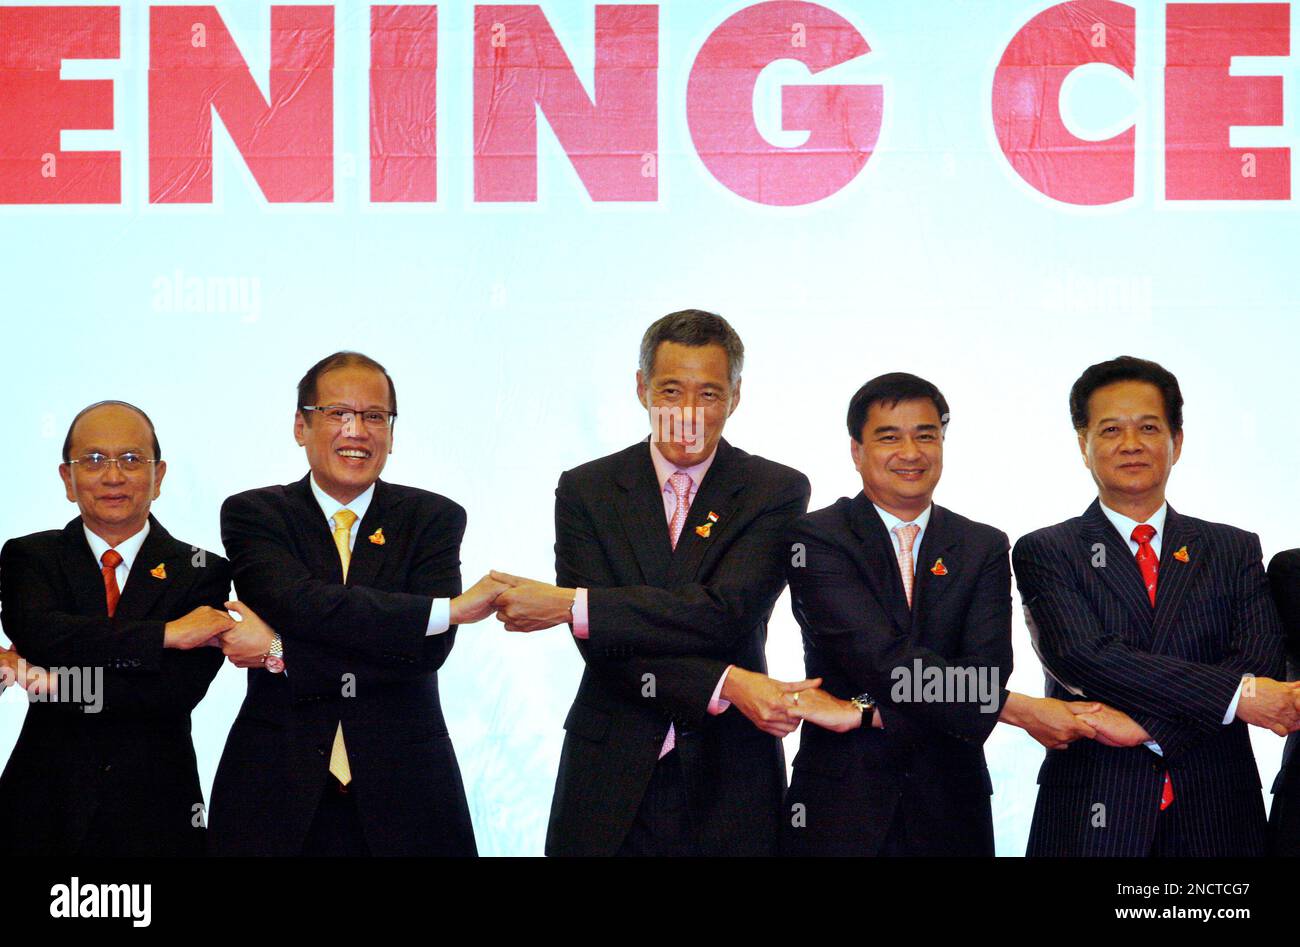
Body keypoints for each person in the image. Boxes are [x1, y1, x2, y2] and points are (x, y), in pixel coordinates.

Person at [490, 310, 815, 855]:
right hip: (609, 768)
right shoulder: (586, 489)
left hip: (730, 771)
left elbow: (724, 614)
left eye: (709, 394)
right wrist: (729, 683)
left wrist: (576, 603)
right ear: (641, 388)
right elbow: (601, 645)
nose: (687, 413)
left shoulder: (774, 489)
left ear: (735, 397)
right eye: (670, 390)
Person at [781, 373, 1132, 856]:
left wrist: (863, 714)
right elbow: (881, 662)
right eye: (889, 437)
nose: (911, 452)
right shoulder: (817, 538)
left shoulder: (982, 545)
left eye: (926, 435)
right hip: (840, 807)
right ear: (856, 451)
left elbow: (988, 671)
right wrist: (1013, 707)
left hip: (952, 804)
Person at [208, 351, 502, 856]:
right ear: (301, 426)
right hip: (275, 785)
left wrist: (278, 650)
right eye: (338, 414)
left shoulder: (432, 518)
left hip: (409, 791)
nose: (357, 431)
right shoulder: (255, 514)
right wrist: (438, 612)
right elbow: (296, 601)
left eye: (373, 416)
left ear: (391, 430)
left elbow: (425, 654)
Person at [1014, 355, 1292, 856]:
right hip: (1092, 810)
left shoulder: (1233, 549)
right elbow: (1086, 658)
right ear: (1084, 445)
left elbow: (1259, 662)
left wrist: (1143, 726)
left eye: (1148, 427)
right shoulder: (1045, 550)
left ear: (1176, 442)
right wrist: (1235, 695)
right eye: (1110, 429)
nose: (1131, 444)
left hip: (1218, 814)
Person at [0, 401, 231, 856]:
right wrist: (163, 635)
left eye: (130, 460)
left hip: (158, 811)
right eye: (92, 461)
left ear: (158, 476)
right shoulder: (30, 557)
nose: (112, 477)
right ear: (67, 479)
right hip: (39, 808)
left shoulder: (201, 572)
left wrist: (45, 681)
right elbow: (40, 633)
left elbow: (170, 694)